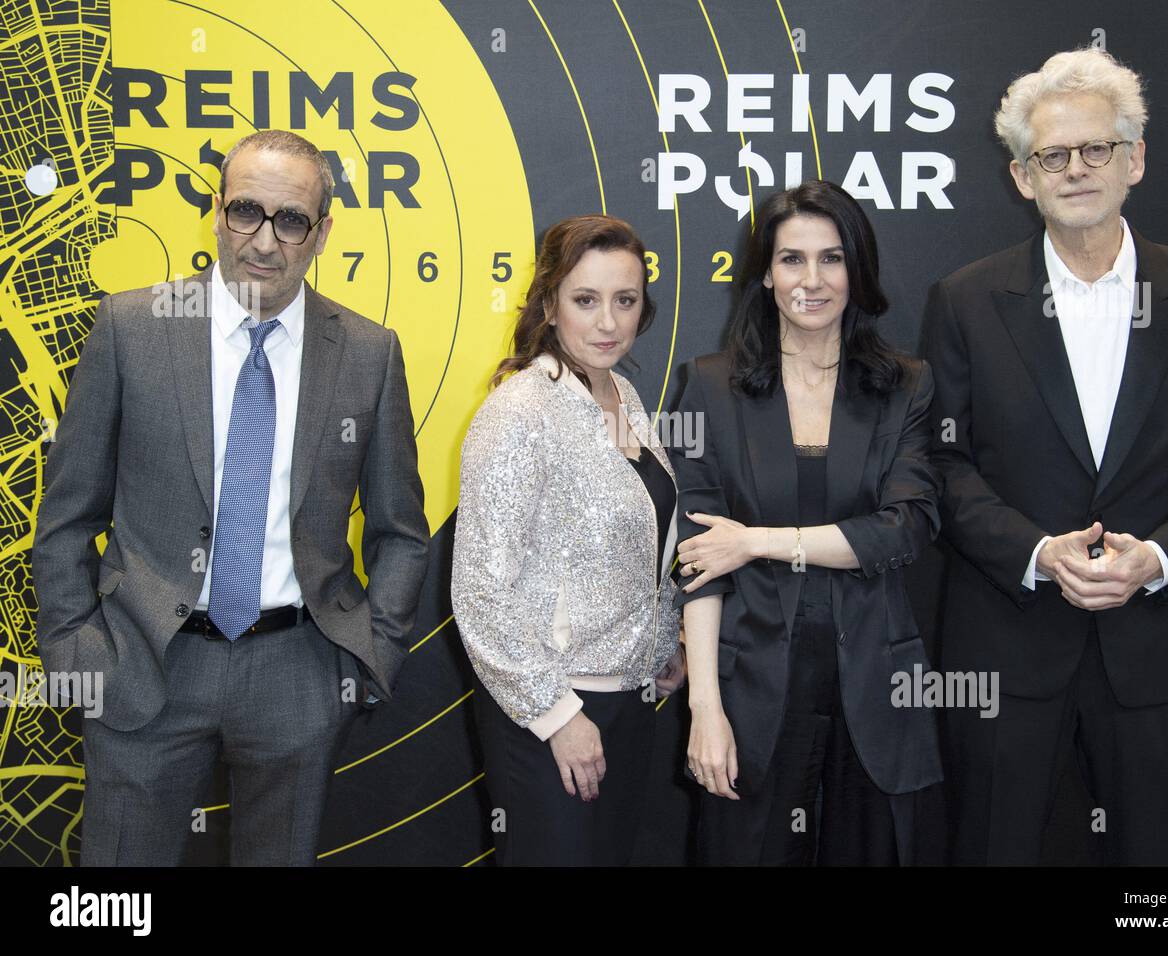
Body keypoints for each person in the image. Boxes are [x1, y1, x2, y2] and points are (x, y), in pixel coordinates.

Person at [32, 129, 430, 866]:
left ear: (321, 233)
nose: (263, 240)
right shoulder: (131, 328)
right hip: (144, 662)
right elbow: (65, 517)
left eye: (290, 220)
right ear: (216, 211)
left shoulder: (369, 353)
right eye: (245, 210)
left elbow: (401, 530)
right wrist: (77, 649)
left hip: (299, 672)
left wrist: (369, 656)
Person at [921, 48, 1168, 865]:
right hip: (1004, 660)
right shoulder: (966, 301)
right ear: (1022, 176)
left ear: (1136, 160)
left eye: (1096, 149)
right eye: (1052, 155)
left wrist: (1155, 558)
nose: (1075, 169)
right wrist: (1038, 554)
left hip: (1152, 660)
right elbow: (943, 465)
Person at [672, 180, 943, 866]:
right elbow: (700, 563)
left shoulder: (905, 386)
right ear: (765, 272)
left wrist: (755, 542)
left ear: (859, 270)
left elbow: (903, 529)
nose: (812, 280)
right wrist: (705, 708)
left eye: (833, 259)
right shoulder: (708, 385)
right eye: (792, 259)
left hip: (876, 691)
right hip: (751, 688)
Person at [452, 214, 686, 866]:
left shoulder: (626, 394)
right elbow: (480, 593)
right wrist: (557, 716)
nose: (608, 322)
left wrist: (663, 638)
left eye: (625, 300)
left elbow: (643, 535)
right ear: (550, 304)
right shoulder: (519, 411)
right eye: (586, 300)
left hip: (627, 705)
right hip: (550, 713)